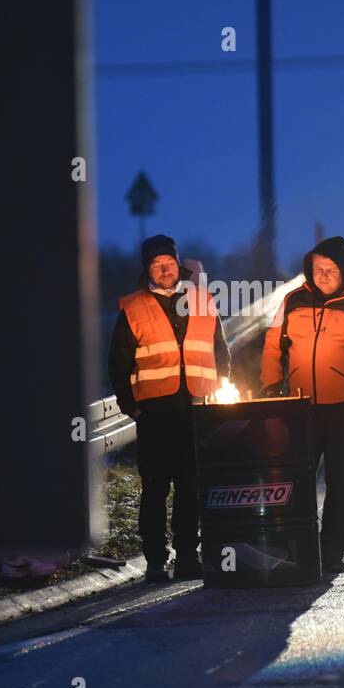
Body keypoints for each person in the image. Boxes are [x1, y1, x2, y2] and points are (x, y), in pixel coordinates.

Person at [260, 236, 344, 574]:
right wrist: (273, 391)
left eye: (330, 270)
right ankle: (297, 546)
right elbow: (274, 348)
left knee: (343, 485)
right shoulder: (292, 302)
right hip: (299, 411)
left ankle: (331, 548)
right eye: (317, 269)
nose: (323, 275)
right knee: (293, 481)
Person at [108, 235, 230, 583]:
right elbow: (117, 364)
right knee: (155, 489)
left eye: (170, 264)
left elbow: (221, 353)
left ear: (179, 267)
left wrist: (220, 394)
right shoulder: (132, 307)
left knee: (190, 488)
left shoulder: (203, 302)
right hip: (155, 416)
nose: (164, 270)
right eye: (157, 264)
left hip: (196, 412)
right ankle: (156, 561)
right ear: (147, 269)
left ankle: (189, 557)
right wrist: (132, 408)